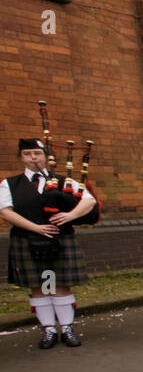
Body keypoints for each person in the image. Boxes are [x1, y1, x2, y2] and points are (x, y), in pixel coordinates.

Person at [2, 138, 97, 348]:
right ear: (21, 158)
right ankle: (49, 330)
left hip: (60, 241)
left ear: (46, 156)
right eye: (27, 154)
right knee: (41, 287)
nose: (33, 157)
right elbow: (5, 211)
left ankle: (67, 328)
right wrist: (35, 227)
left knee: (60, 286)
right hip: (28, 240)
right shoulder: (10, 184)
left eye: (37, 153)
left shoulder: (64, 181)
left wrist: (70, 216)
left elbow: (89, 201)